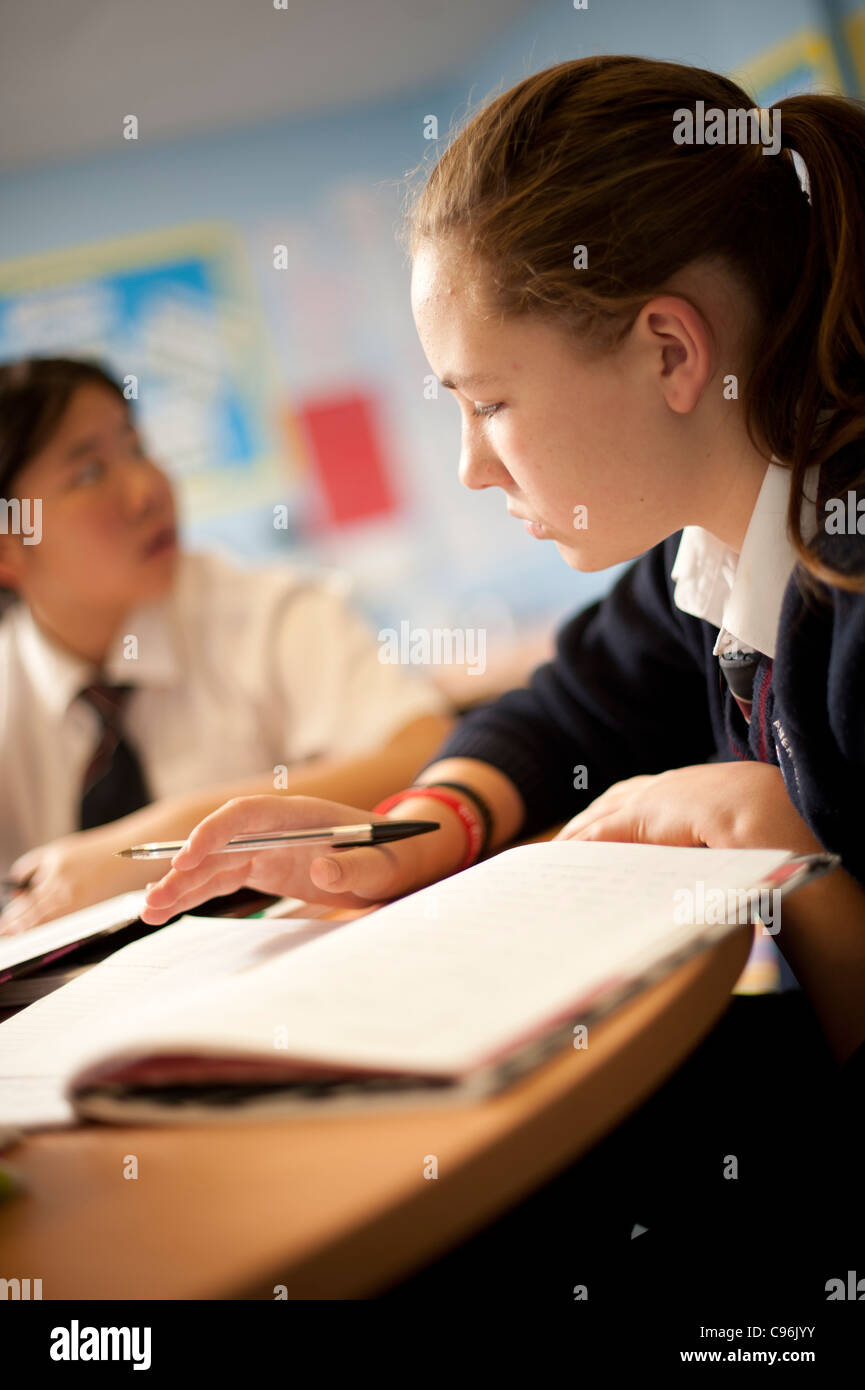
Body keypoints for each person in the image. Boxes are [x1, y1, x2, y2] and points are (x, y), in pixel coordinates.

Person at [138, 58, 865, 1303]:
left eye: (490, 401)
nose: (471, 466)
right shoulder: (714, 552)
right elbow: (558, 708)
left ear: (668, 350)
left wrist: (799, 863)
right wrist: (413, 832)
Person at [0, 357, 452, 932]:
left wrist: (158, 838)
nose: (147, 491)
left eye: (136, 448)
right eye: (88, 474)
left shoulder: (271, 611)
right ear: (8, 549)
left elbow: (426, 749)